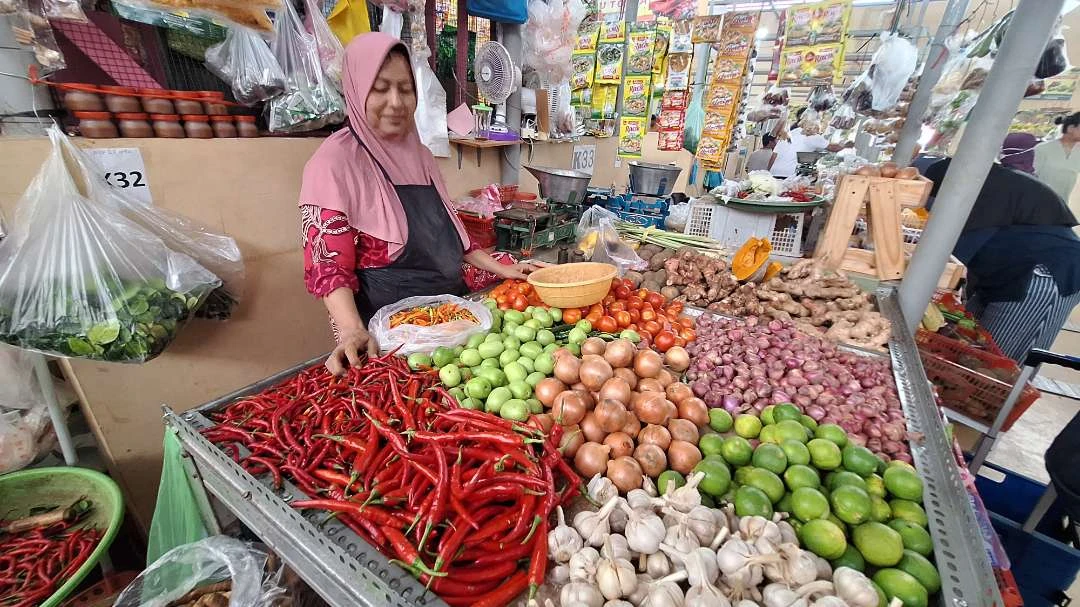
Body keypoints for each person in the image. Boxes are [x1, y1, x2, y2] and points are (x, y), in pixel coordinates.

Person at [300, 33, 540, 374]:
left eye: (405, 88)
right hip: (390, 336)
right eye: (380, 88)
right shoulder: (332, 163)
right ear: (355, 89)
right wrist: (353, 328)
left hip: (451, 320)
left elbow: (451, 231)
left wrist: (504, 269)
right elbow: (328, 265)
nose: (396, 102)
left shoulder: (422, 156)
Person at [924, 157, 1080, 361]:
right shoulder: (995, 184)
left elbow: (950, 261)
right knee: (967, 346)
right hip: (1004, 274)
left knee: (996, 364)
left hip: (1045, 277)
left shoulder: (989, 194)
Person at [770, 108, 831, 179]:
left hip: (774, 172)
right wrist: (846, 145)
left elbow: (774, 155)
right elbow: (833, 148)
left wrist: (768, 173)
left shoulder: (791, 132)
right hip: (790, 175)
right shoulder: (812, 135)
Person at [1034, 112, 1080, 204]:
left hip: (1062, 204)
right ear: (1070, 128)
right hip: (1037, 202)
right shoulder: (1043, 148)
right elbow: (1031, 176)